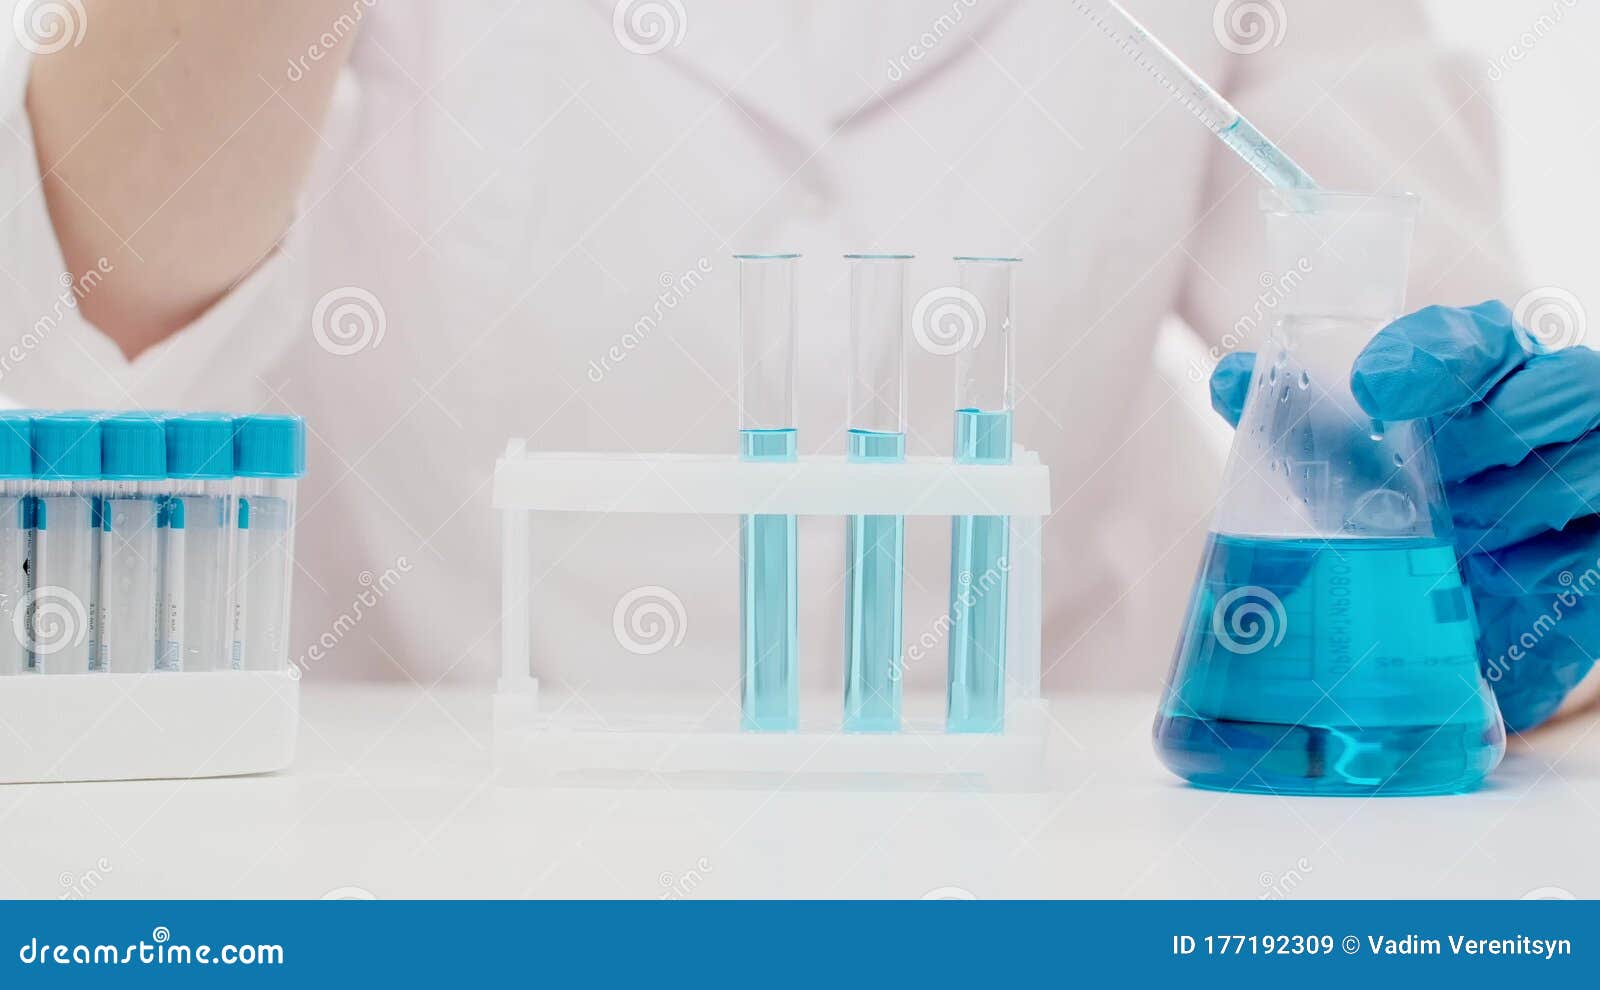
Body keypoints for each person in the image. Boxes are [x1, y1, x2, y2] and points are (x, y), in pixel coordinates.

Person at [0, 0, 1591, 727]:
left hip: (1063, 855)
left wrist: (1509, 536)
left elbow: (1387, 315)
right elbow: (103, 345)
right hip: (443, 854)